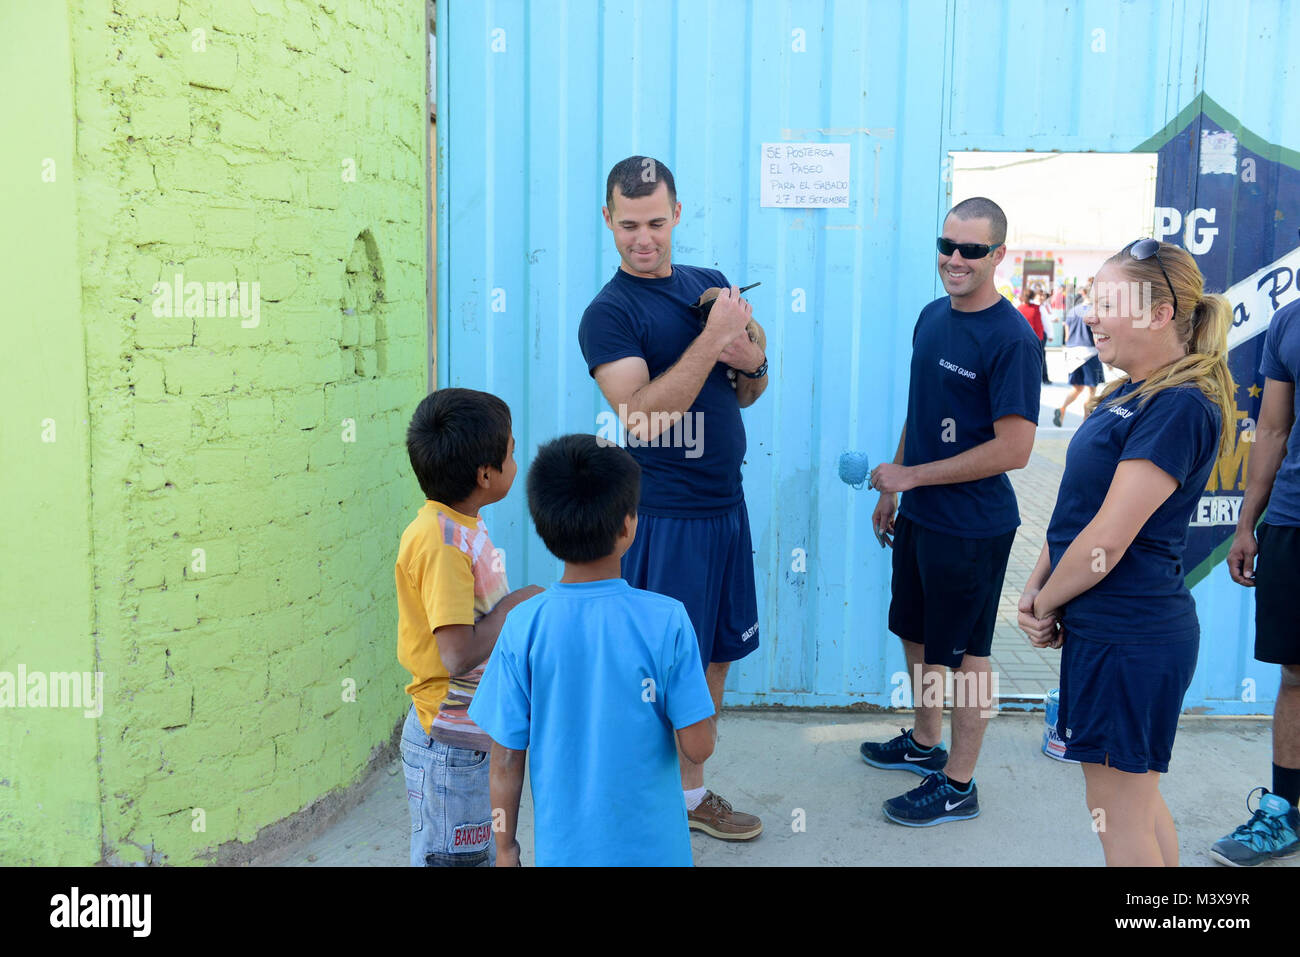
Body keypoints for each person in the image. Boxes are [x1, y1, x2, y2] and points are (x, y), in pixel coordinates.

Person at [1018, 239, 1233, 866]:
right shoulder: (1127, 393)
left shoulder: (1178, 404)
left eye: (1107, 303)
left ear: (1161, 312)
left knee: (1119, 819)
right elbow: (1076, 515)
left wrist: (1044, 605)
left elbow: (1107, 544)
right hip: (1110, 631)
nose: (1090, 315)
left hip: (1130, 635)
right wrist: (1038, 589)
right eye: (1091, 300)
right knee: (1137, 805)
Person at [577, 156, 767, 841]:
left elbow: (750, 385)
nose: (643, 238)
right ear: (608, 221)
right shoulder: (610, 314)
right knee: (658, 669)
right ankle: (641, 802)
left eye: (656, 222)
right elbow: (642, 418)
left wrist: (748, 355)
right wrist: (714, 338)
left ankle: (690, 796)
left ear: (677, 214)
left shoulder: (710, 284)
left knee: (714, 654)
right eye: (628, 225)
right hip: (664, 518)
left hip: (726, 507)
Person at [863, 197, 1040, 826]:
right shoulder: (931, 317)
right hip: (921, 516)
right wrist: (894, 486)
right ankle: (925, 743)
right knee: (916, 632)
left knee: (967, 657)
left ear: (998, 255)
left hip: (973, 528)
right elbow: (921, 407)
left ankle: (959, 785)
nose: (955, 260)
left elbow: (1016, 449)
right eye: (947, 246)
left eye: (971, 250)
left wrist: (912, 475)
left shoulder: (1013, 339)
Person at [469, 435, 718, 866]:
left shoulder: (523, 626)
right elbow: (699, 747)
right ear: (628, 526)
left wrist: (505, 848)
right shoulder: (668, 620)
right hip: (656, 853)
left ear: (546, 527)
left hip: (565, 853)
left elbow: (506, 759)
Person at [394, 388, 543, 867]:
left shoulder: (460, 522)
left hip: (466, 735)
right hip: (448, 746)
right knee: (452, 860)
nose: (516, 461)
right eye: (511, 453)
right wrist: (514, 608)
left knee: (472, 856)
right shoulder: (443, 543)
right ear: (485, 475)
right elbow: (456, 654)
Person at [1213, 297, 1300, 866]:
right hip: (1293, 518)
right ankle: (1283, 813)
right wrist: (1247, 524)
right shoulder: (1290, 320)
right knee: (1296, 673)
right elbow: (1270, 429)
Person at [1053, 287, 1104, 427]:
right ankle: (1086, 419)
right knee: (1091, 389)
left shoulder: (1072, 311)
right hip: (1089, 353)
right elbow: (1096, 335)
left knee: (1077, 388)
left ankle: (1062, 408)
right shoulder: (1094, 311)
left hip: (1072, 352)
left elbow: (1067, 335)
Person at [1017, 288, 1050, 385]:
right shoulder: (1037, 308)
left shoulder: (1019, 308)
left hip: (1024, 338)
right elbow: (1043, 323)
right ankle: (1044, 378)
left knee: (1024, 359)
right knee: (1040, 358)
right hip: (1037, 337)